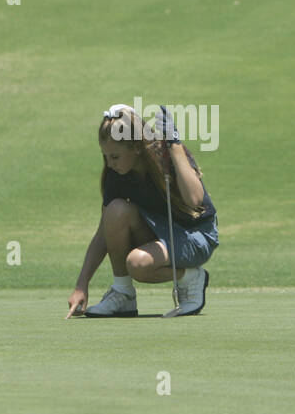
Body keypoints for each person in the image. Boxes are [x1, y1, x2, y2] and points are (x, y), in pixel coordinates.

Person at [66, 104, 218, 318]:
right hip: (162, 235)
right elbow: (104, 232)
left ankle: (192, 278)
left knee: (137, 264)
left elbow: (195, 201)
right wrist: (82, 285)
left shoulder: (165, 154)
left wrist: (174, 144)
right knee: (115, 210)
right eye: (106, 156)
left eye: (115, 157)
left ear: (136, 147)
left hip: (196, 236)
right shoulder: (117, 174)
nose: (109, 164)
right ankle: (123, 293)